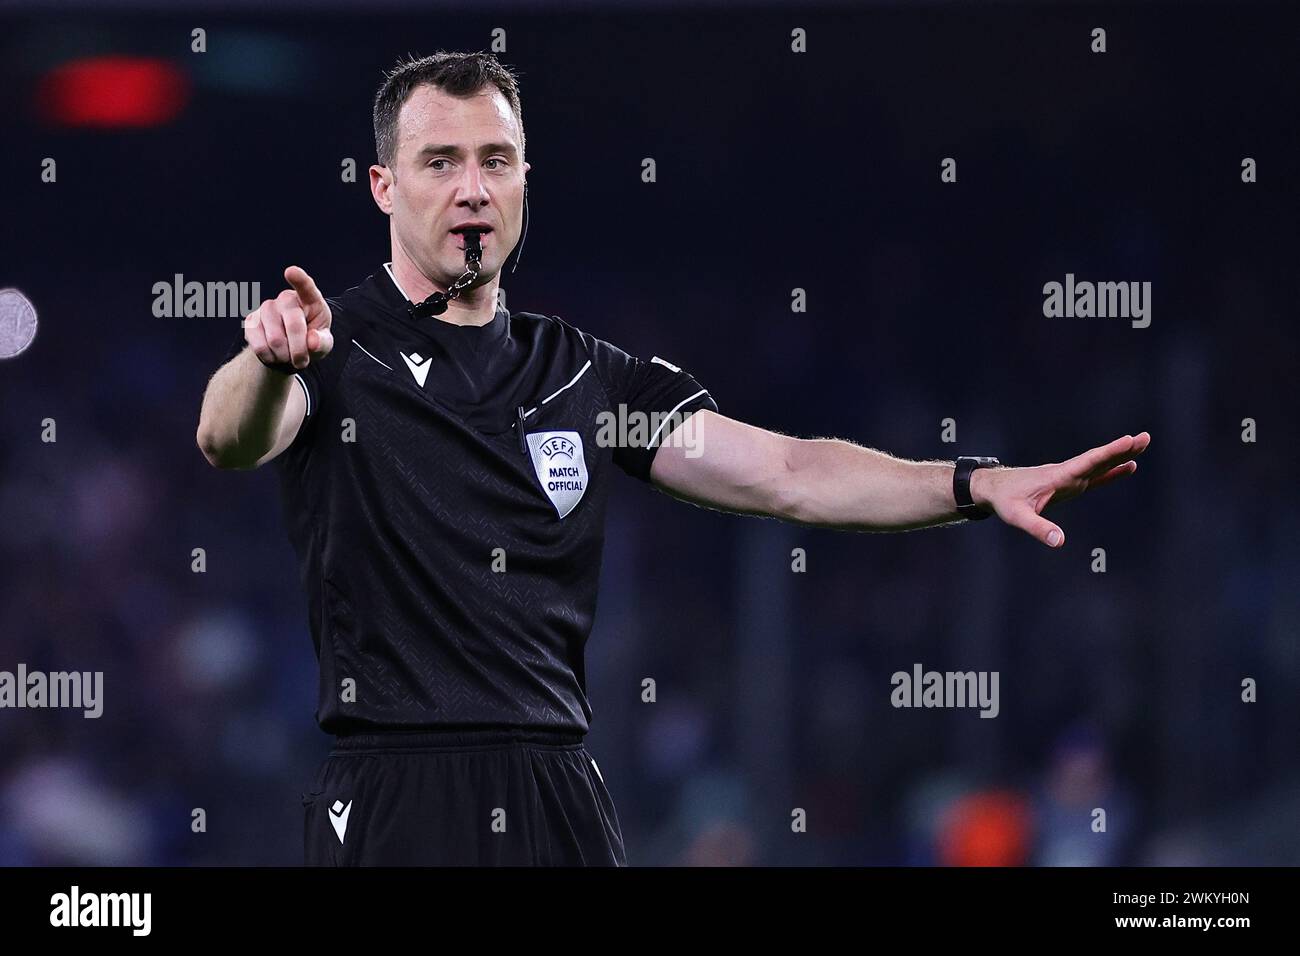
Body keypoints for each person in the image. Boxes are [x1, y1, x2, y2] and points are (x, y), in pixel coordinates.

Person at [195, 50, 1150, 866]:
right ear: (384, 185)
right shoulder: (332, 347)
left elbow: (792, 474)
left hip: (558, 791)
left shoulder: (582, 377)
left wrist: (974, 482)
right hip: (394, 793)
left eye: (496, 160)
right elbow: (230, 436)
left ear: (527, 178)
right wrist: (266, 359)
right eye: (439, 161)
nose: (472, 187)